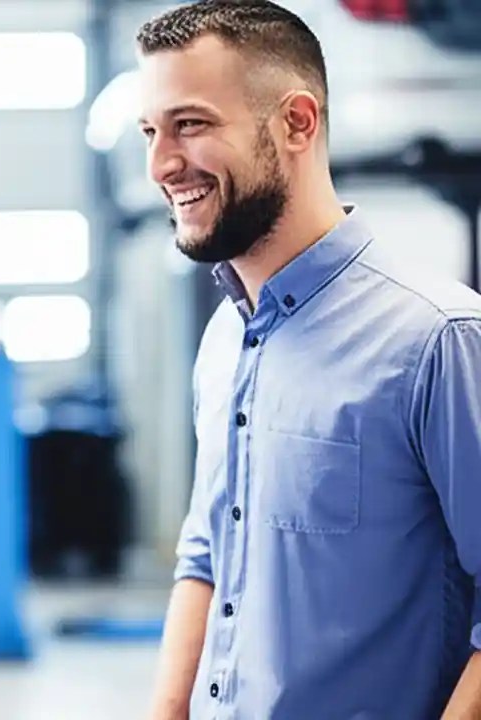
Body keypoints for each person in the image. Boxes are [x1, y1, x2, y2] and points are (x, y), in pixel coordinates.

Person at [135, 1, 481, 718]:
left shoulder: (438, 339)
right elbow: (205, 557)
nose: (163, 164)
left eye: (190, 125)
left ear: (297, 122)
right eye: (151, 131)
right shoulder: (226, 339)